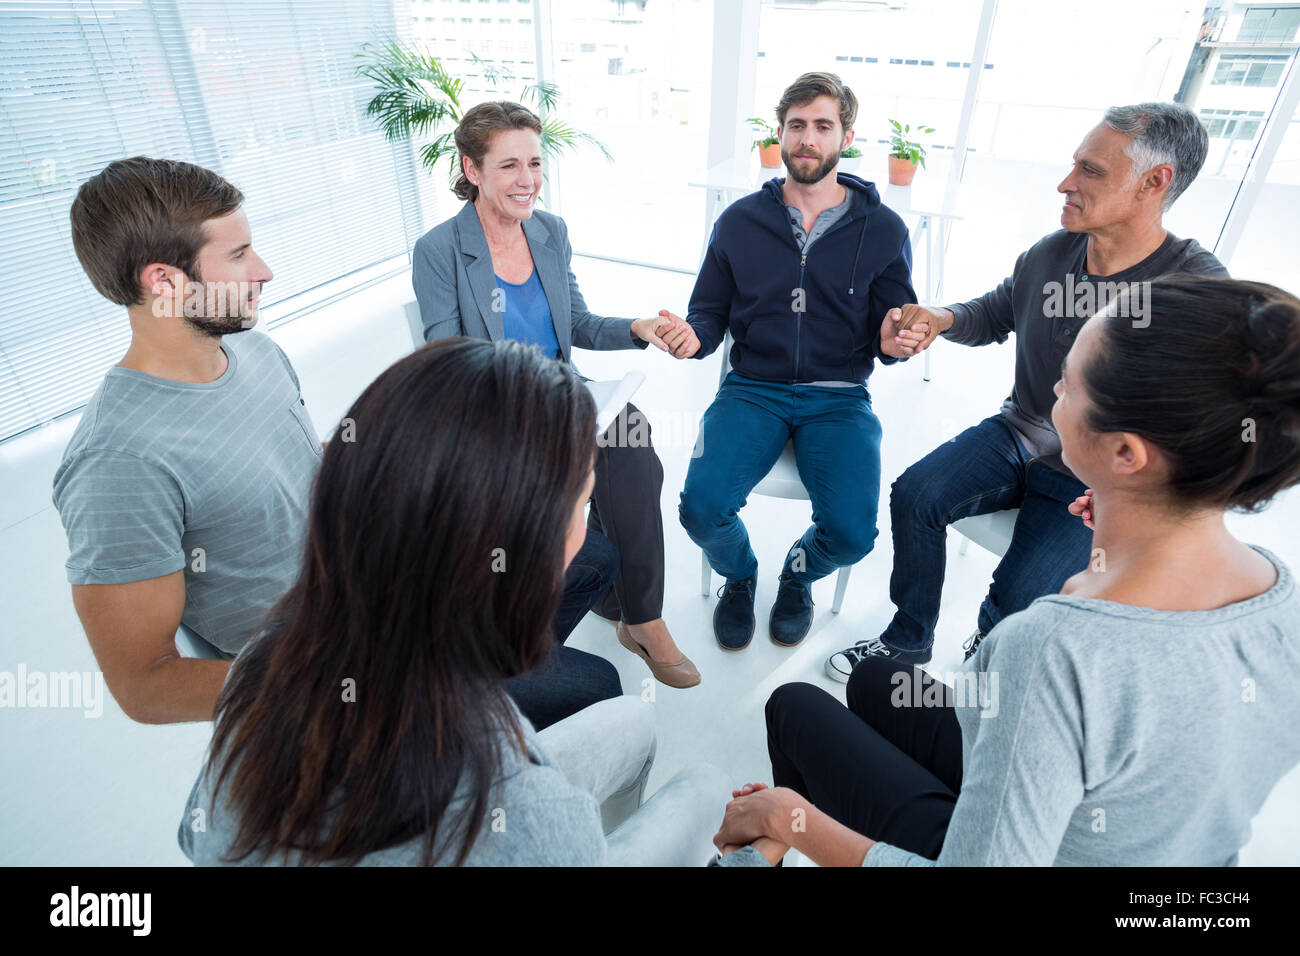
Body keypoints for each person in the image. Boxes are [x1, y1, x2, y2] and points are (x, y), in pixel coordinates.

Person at [714, 275, 1300, 866]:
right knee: (878, 682)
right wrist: (1127, 515)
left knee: (793, 706)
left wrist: (788, 817)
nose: (1051, 389)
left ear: (1126, 454)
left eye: (1068, 384)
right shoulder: (1282, 596)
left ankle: (772, 846)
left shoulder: (1053, 649)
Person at [180, 338, 731, 866]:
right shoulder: (533, 818)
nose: (584, 529)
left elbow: (194, 834)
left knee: (631, 717)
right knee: (710, 788)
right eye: (584, 503)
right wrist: (759, 852)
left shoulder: (264, 656)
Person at [826, 101, 1230, 678]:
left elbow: (1217, 416)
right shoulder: (1051, 252)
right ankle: (908, 639)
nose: (1066, 184)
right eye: (1074, 166)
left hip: (1096, 476)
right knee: (916, 494)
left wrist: (1140, 493)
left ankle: (987, 659)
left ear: (1154, 183)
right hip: (1021, 429)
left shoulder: (1196, 288)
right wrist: (939, 318)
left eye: (1090, 170)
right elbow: (994, 313)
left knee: (1021, 600)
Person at [412, 101, 699, 689]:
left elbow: (578, 325)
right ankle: (598, 598)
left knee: (635, 449)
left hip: (567, 395)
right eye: (510, 165)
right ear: (472, 170)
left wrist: (638, 328)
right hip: (497, 410)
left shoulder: (549, 231)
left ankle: (641, 617)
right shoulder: (440, 250)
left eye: (535, 164)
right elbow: (448, 358)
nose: (528, 180)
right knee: (580, 473)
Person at [53, 157, 318, 724]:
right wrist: (328, 682)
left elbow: (293, 488)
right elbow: (145, 684)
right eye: (239, 255)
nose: (264, 270)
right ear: (165, 282)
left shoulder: (256, 351)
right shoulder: (117, 461)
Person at [661, 72, 920, 652]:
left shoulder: (882, 229)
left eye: (822, 126)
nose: (808, 138)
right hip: (752, 388)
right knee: (701, 510)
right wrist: (691, 339)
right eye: (797, 126)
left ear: (845, 137)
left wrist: (895, 343)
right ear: (780, 134)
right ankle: (740, 575)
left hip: (840, 396)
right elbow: (707, 315)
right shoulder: (738, 223)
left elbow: (892, 328)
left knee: (854, 533)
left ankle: (797, 576)